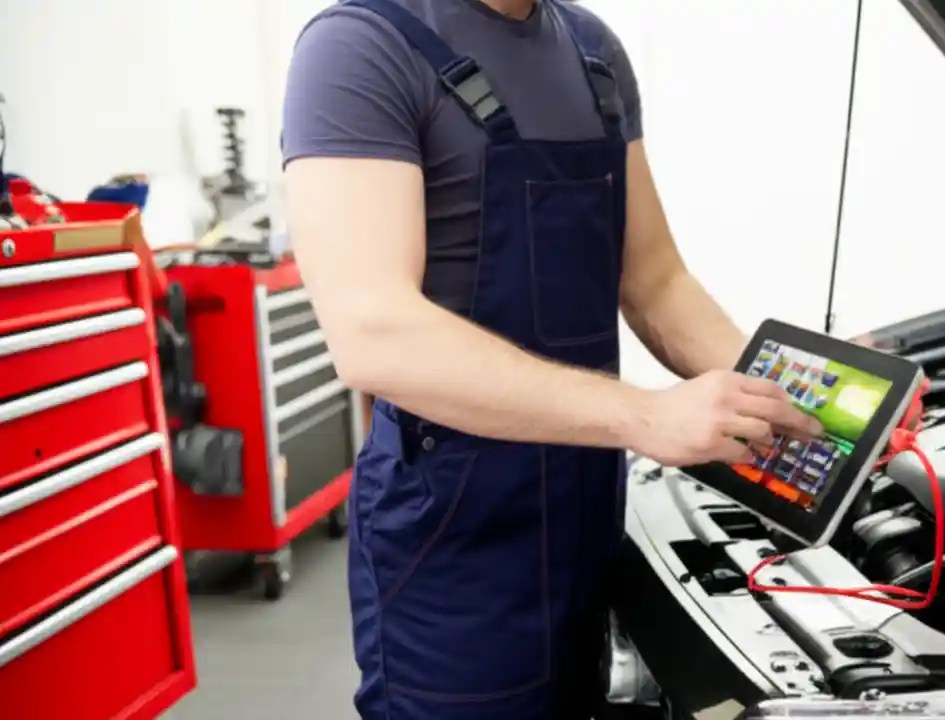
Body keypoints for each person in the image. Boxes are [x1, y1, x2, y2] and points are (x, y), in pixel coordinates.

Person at [282, 0, 820, 717]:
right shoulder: (360, 46)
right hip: (453, 537)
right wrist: (646, 417)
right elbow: (376, 333)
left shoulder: (594, 49)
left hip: (585, 507)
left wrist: (795, 394)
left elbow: (655, 280)